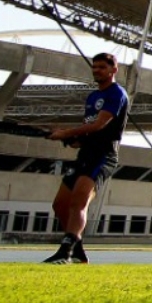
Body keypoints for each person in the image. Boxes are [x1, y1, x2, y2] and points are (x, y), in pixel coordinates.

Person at [42, 52, 129, 264]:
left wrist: (66, 133)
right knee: (60, 204)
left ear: (113, 70)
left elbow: (100, 125)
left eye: (102, 67)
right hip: (86, 153)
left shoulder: (116, 94)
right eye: (94, 67)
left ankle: (66, 251)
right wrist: (75, 140)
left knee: (79, 201)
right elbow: (90, 131)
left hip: (103, 155)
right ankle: (77, 248)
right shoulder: (92, 97)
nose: (96, 70)